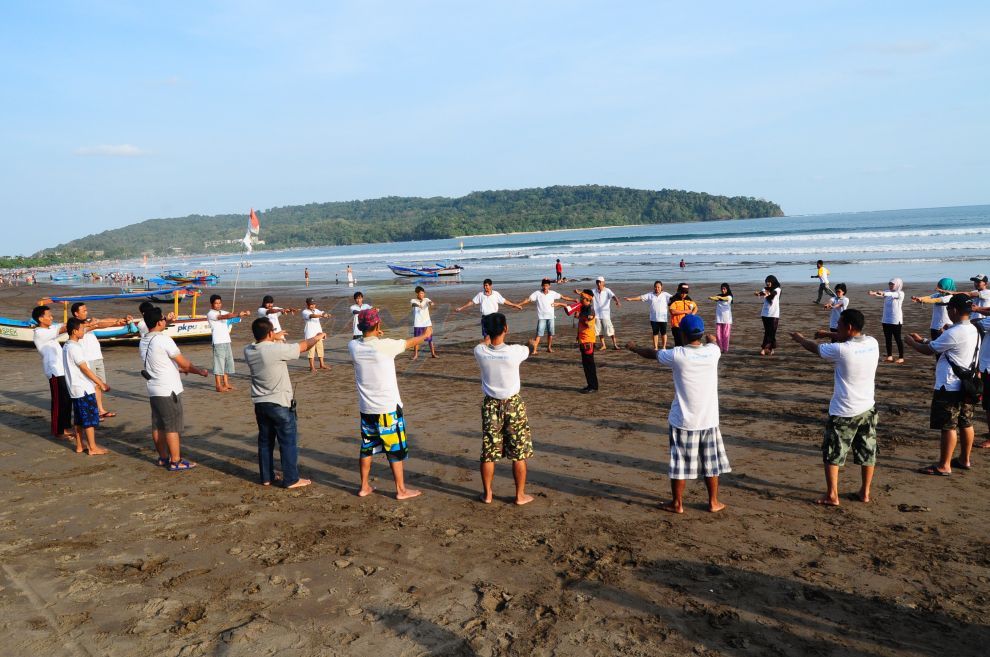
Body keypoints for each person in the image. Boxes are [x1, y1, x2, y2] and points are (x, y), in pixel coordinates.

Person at [627, 314, 729, 513]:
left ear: (682, 334)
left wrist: (634, 348)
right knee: (711, 463)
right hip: (709, 419)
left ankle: (677, 503)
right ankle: (713, 502)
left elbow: (651, 353)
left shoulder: (677, 355)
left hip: (683, 420)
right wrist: (711, 338)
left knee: (679, 464)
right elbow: (713, 341)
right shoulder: (713, 352)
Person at [790, 309, 879, 505]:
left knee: (833, 453)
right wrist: (827, 334)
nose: (836, 327)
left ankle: (832, 495)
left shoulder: (841, 350)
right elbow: (849, 338)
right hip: (868, 408)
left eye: (839, 324)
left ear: (849, 327)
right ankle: (865, 492)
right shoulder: (873, 342)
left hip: (844, 411)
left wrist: (800, 338)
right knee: (867, 451)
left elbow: (815, 348)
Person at [348, 308, 433, 499]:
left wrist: (375, 334)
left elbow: (364, 340)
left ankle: (364, 486)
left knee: (367, 447)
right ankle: (401, 490)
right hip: (387, 408)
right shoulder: (386, 345)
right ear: (378, 324)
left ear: (360, 327)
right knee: (394, 449)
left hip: (366, 408)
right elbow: (410, 342)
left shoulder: (353, 346)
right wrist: (426, 334)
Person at [244, 317, 326, 488]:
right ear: (270, 333)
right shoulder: (275, 350)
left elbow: (260, 342)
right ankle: (291, 479)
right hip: (279, 403)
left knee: (265, 442)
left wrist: (273, 336)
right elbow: (303, 346)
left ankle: (266, 477)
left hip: (260, 404)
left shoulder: (248, 350)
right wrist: (318, 337)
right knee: (288, 442)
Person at [905, 294, 980, 475]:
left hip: (949, 385)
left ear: (953, 310)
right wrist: (922, 339)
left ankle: (944, 465)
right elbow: (941, 345)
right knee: (966, 422)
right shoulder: (973, 329)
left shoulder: (955, 332)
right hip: (967, 384)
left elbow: (928, 350)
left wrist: (911, 343)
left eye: (948, 309)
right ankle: (964, 459)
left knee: (948, 426)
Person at [473, 313, 538, 505]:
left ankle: (488, 494)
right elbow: (529, 349)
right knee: (518, 452)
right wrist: (531, 343)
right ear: (506, 328)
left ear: (486, 331)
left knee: (489, 452)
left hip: (491, 405)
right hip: (512, 404)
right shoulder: (515, 351)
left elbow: (485, 344)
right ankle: (519, 495)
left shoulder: (479, 351)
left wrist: (488, 336)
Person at [139, 306, 209, 471]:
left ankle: (163, 458)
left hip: (154, 388)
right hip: (168, 390)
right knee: (172, 427)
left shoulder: (143, 340)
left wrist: (179, 370)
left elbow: (158, 363)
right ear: (159, 322)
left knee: (158, 425)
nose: (165, 320)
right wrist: (199, 371)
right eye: (163, 318)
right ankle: (175, 461)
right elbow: (183, 362)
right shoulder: (163, 339)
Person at [69, 302, 132, 418]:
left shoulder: (88, 322)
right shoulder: (76, 326)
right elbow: (97, 325)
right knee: (92, 386)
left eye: (86, 310)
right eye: (83, 311)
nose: (86, 312)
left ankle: (100, 410)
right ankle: (93, 411)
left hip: (97, 357)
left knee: (99, 385)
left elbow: (101, 322)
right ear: (76, 313)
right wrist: (96, 324)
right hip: (87, 359)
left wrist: (119, 320)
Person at [62, 318, 110, 455]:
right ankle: (92, 447)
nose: (84, 331)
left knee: (79, 419)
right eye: (82, 329)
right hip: (83, 388)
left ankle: (79, 445)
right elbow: (84, 368)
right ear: (74, 331)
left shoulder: (66, 346)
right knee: (89, 419)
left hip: (75, 388)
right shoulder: (74, 347)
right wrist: (100, 383)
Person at [32, 305, 73, 440]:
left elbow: (64, 325)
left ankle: (65, 427)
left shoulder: (49, 329)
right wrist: (75, 324)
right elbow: (64, 328)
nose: (51, 317)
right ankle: (57, 430)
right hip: (54, 371)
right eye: (49, 315)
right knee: (58, 401)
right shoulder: (39, 332)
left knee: (67, 400)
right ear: (41, 319)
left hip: (62, 369)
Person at [456, 279, 522, 345]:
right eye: (484, 286)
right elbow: (472, 302)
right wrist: (461, 308)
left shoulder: (496, 294)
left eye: (486, 285)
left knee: (496, 335)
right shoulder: (480, 294)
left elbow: (504, 301)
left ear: (490, 286)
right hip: (485, 318)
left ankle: (495, 348)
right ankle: (487, 349)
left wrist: (515, 305)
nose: (485, 287)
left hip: (494, 318)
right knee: (486, 337)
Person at [518, 279, 574, 354]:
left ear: (549, 286)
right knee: (539, 334)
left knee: (550, 334)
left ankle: (549, 348)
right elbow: (528, 300)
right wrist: (519, 304)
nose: (545, 287)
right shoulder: (537, 293)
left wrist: (573, 300)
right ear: (541, 286)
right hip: (542, 317)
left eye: (547, 286)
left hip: (551, 317)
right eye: (544, 285)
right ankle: (534, 350)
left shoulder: (553, 293)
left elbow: (563, 297)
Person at [207, 294, 250, 391]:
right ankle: (218, 386)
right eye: (216, 303)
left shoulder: (223, 311)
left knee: (227, 363)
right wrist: (237, 314)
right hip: (218, 342)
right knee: (219, 364)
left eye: (219, 303)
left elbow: (231, 315)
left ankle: (226, 383)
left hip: (227, 340)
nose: (218, 305)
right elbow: (224, 316)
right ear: (212, 304)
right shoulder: (211, 313)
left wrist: (244, 314)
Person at [626, 281, 672, 351]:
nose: (657, 288)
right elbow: (641, 297)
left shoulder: (665, 295)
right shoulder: (650, 295)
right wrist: (631, 299)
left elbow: (674, 299)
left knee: (663, 333)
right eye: (655, 287)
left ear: (661, 287)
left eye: (658, 287)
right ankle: (655, 347)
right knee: (655, 333)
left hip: (663, 318)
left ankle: (664, 347)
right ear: (654, 287)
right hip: (653, 318)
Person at [869, 278, 905, 363]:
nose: (890, 285)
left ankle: (901, 357)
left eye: (892, 284)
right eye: (890, 284)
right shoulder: (887, 292)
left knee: (897, 338)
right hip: (886, 319)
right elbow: (880, 294)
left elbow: (889, 294)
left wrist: (883, 293)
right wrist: (873, 293)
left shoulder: (900, 293)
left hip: (896, 320)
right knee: (887, 338)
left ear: (898, 285)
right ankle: (889, 356)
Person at [575, 290, 598, 393]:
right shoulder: (583, 308)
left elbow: (588, 324)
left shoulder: (590, 309)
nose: (581, 299)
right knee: (585, 364)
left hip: (588, 340)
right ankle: (590, 385)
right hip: (583, 339)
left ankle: (593, 386)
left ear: (588, 299)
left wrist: (579, 316)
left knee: (589, 364)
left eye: (582, 298)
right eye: (581, 297)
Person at [589, 276, 620, 351]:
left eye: (600, 282)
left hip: (605, 314)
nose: (598, 283)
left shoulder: (607, 290)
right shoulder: (593, 291)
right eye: (597, 282)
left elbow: (613, 296)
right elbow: (586, 294)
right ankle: (603, 345)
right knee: (599, 331)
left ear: (603, 283)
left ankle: (615, 344)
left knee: (610, 330)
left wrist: (617, 301)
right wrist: (579, 292)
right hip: (596, 315)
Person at [301, 297, 331, 371]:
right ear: (307, 304)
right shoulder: (305, 312)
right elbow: (312, 316)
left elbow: (322, 312)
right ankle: (312, 367)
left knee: (320, 349)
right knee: (311, 351)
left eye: (314, 304)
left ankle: (322, 364)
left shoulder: (316, 310)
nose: (313, 306)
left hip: (318, 334)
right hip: (310, 334)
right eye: (311, 304)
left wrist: (326, 314)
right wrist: (322, 315)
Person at [755, 275, 782, 356]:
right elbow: (762, 293)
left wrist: (768, 293)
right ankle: (766, 349)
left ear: (773, 281)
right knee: (767, 332)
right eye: (766, 282)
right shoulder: (765, 289)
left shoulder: (778, 289)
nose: (767, 283)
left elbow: (774, 293)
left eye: (769, 282)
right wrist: (759, 294)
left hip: (774, 314)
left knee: (772, 332)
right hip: (765, 314)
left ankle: (768, 348)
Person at [410, 286, 438, 359]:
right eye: (421, 293)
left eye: (423, 293)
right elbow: (413, 304)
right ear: (417, 294)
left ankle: (433, 354)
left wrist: (431, 303)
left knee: (430, 340)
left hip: (427, 323)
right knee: (416, 340)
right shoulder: (413, 300)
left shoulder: (426, 299)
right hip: (418, 323)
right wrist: (418, 305)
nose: (422, 294)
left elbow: (430, 302)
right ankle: (415, 355)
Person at [668, 283, 698, 347]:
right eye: (682, 292)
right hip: (677, 326)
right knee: (679, 344)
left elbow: (695, 307)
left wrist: (692, 315)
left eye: (686, 292)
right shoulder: (674, 299)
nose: (684, 294)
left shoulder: (688, 299)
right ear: (678, 291)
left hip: (687, 326)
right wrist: (685, 311)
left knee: (687, 344)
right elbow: (672, 311)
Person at [708, 283, 734, 353]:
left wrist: (718, 297)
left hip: (727, 319)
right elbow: (715, 298)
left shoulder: (730, 296)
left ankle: (725, 349)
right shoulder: (719, 296)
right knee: (718, 335)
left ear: (727, 289)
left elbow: (725, 298)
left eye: (724, 289)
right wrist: (712, 297)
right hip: (719, 318)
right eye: (722, 289)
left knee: (726, 335)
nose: (723, 290)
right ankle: (720, 348)